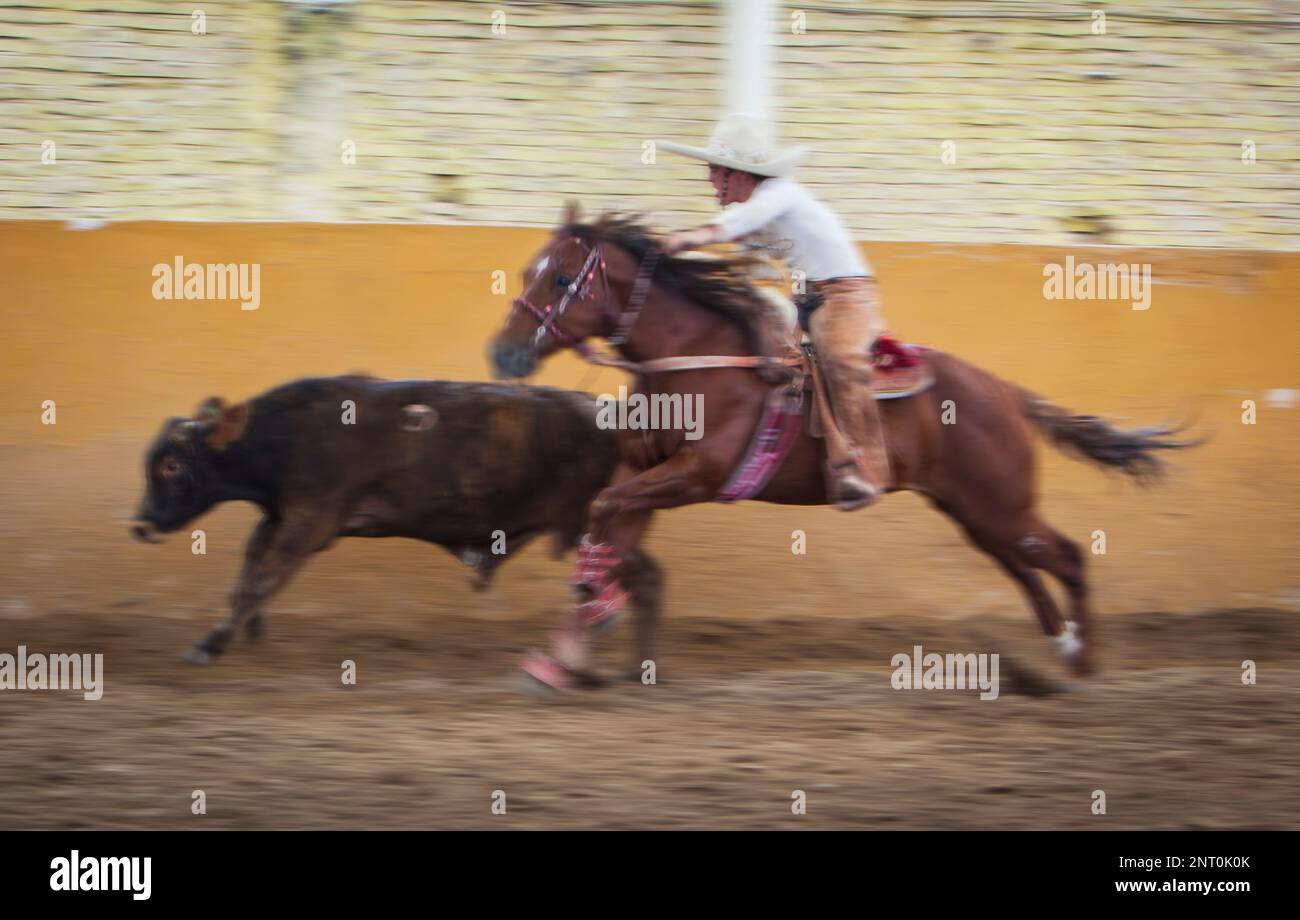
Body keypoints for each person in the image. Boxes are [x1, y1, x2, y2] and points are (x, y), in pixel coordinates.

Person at [659, 112, 889, 510]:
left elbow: (732, 227)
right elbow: (745, 258)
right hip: (809, 299)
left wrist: (690, 238)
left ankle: (863, 468)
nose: (711, 181)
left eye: (716, 171)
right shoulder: (761, 210)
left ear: (740, 173)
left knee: (841, 359)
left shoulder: (780, 195)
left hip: (847, 297)